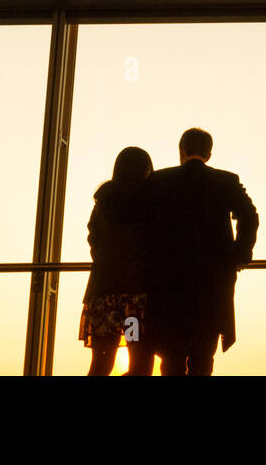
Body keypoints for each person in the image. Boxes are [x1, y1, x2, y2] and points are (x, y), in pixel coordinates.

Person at [143, 127, 259, 376]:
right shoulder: (226, 181)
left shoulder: (159, 181)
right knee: (203, 354)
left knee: (171, 355)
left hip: (169, 281)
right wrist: (239, 254)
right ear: (209, 153)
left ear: (181, 150)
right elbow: (250, 217)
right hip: (213, 281)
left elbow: (144, 225)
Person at [81, 146, 155, 376]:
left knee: (101, 362)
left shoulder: (104, 201)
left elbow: (95, 243)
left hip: (104, 298)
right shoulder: (149, 203)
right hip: (135, 302)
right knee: (139, 362)